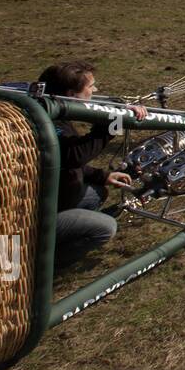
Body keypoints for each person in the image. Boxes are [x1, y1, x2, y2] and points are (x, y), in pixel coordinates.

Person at [38, 60, 147, 266]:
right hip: (38, 214)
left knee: (97, 192)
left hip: (53, 195)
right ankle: (41, 265)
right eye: (90, 86)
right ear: (71, 94)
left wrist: (103, 176)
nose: (95, 90)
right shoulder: (49, 122)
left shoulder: (47, 108)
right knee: (106, 228)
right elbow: (74, 156)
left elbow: (62, 160)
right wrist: (115, 123)